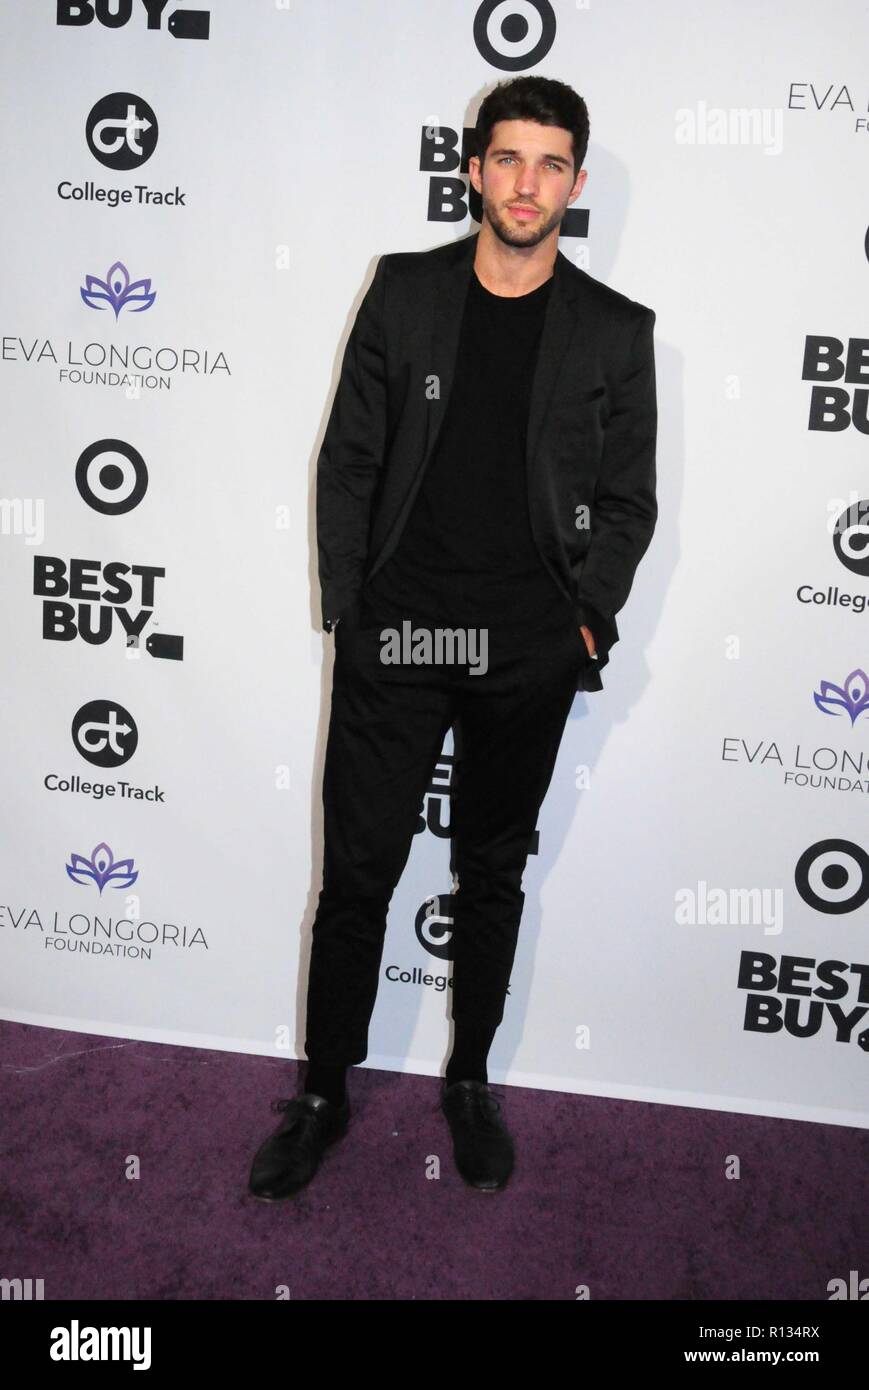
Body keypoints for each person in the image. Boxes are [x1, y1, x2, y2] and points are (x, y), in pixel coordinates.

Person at [249, 75, 658, 1200]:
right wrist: (355, 611)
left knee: (491, 870)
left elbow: (626, 504)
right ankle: (323, 1089)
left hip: (526, 647)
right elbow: (348, 460)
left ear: (572, 184)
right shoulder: (405, 292)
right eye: (508, 159)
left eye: (551, 165)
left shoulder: (617, 333)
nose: (527, 184)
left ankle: (468, 1078)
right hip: (403, 638)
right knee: (358, 876)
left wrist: (584, 619)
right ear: (472, 168)